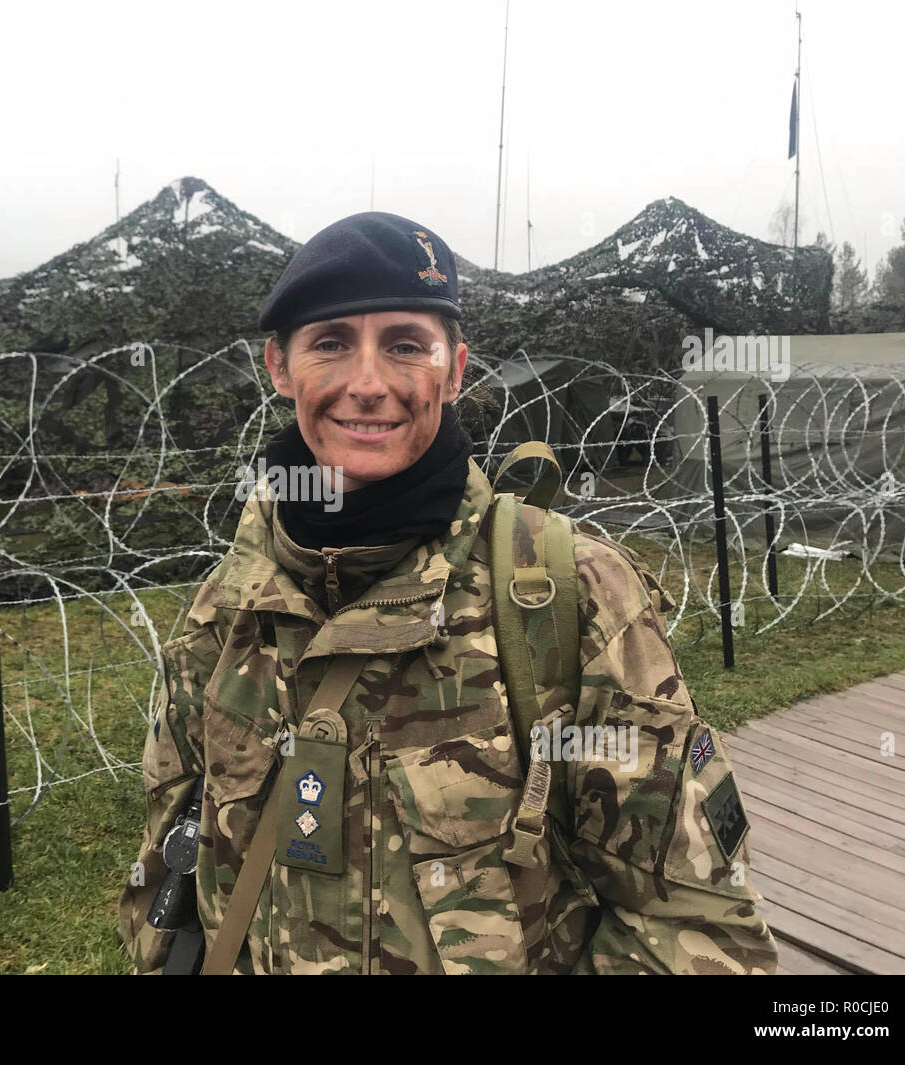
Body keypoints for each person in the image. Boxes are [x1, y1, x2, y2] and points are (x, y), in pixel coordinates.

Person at [117, 211, 779, 974]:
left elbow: (695, 923)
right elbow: (169, 876)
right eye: (330, 343)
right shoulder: (224, 614)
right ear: (279, 366)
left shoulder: (568, 600)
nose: (368, 383)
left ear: (455, 369)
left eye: (405, 345)